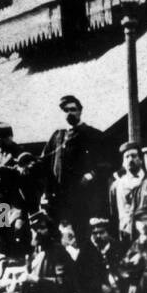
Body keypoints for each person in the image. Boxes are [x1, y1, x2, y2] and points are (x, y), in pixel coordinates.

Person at [39, 95, 110, 245]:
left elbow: (108, 162)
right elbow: (43, 163)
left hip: (82, 198)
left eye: (73, 109)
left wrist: (91, 175)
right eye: (65, 110)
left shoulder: (93, 134)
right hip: (58, 199)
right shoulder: (57, 136)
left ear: (80, 111)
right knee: (57, 238)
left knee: (81, 236)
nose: (69, 113)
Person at [109, 141, 147, 240]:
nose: (130, 159)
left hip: (144, 232)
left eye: (134, 156)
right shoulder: (116, 185)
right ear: (123, 162)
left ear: (141, 160)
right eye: (127, 157)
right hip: (125, 234)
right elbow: (113, 213)